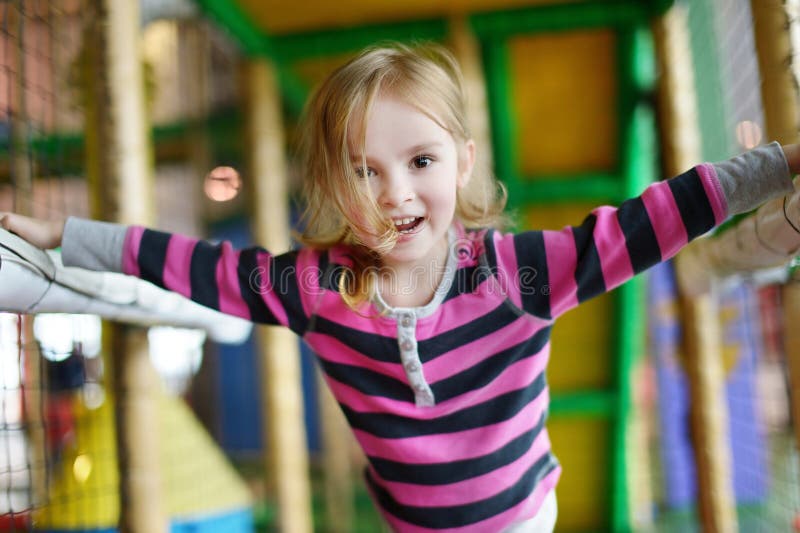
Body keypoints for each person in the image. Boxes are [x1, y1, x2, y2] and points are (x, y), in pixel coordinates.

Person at [3, 43, 800, 532]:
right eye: (364, 171)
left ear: (460, 157)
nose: (395, 194)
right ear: (331, 186)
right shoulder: (315, 288)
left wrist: (783, 164)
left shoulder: (522, 273)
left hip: (523, 520)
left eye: (419, 161)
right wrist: (62, 235)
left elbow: (662, 213)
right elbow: (179, 261)